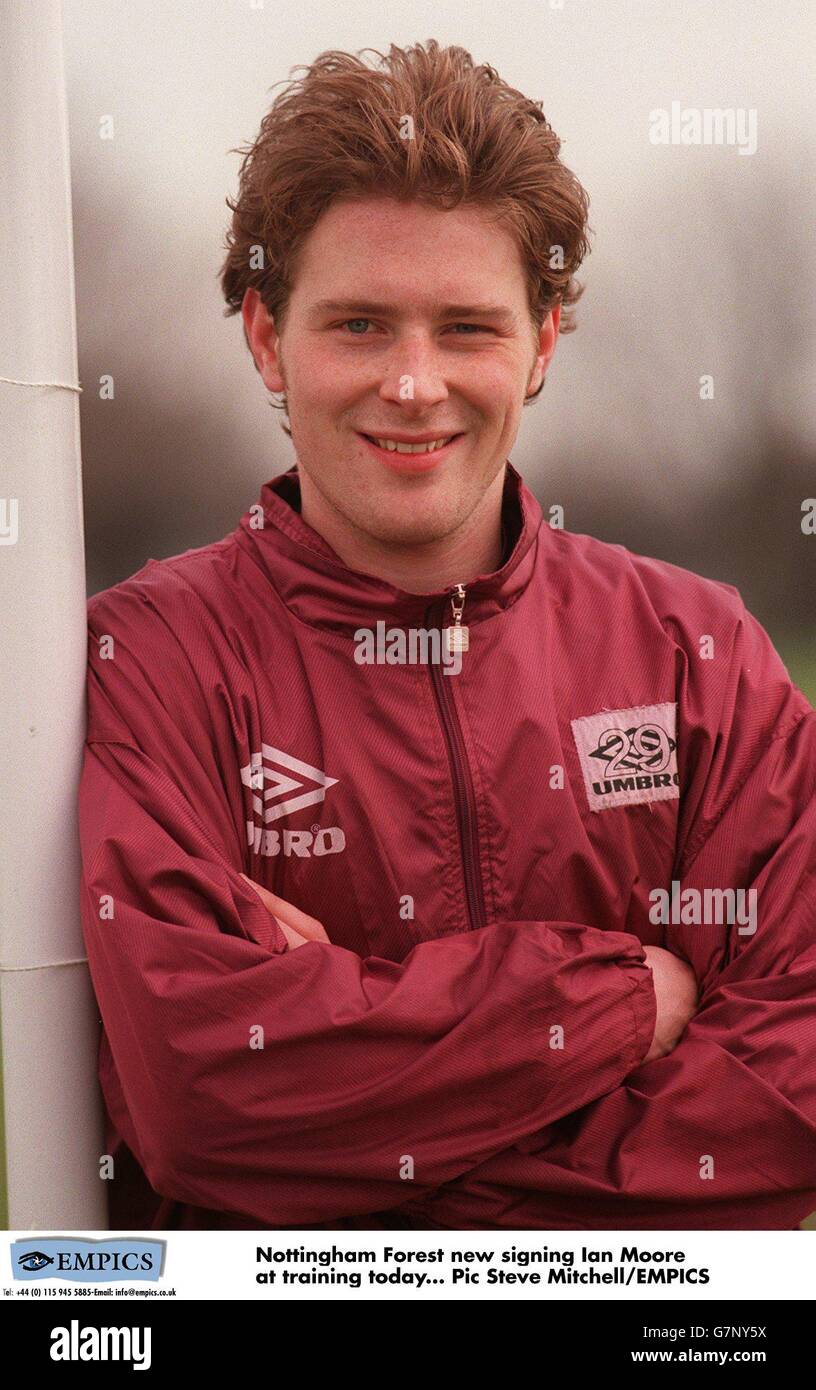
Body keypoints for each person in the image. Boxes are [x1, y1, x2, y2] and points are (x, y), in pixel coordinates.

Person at [78, 40, 816, 1231]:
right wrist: (626, 1001)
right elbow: (204, 1101)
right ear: (267, 336)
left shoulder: (698, 656)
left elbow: (792, 1097)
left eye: (466, 328)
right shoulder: (138, 666)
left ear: (544, 343)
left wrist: (366, 1117)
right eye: (360, 324)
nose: (415, 385)